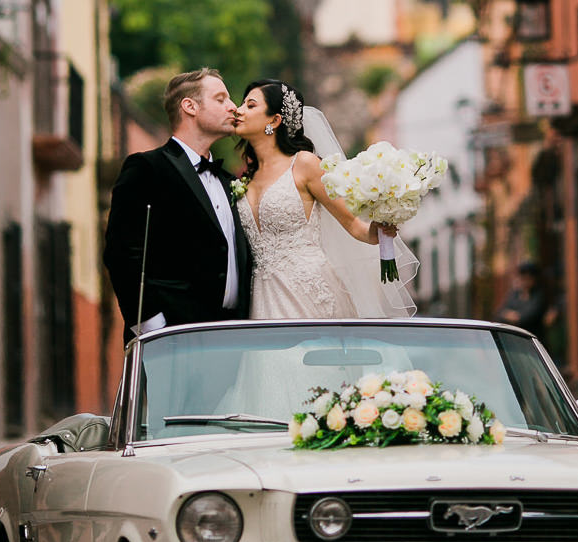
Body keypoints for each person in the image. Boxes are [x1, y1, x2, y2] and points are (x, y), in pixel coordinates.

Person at [232, 79, 416, 319]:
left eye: (250, 105)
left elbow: (352, 224)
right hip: (261, 294)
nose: (238, 109)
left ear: (274, 120)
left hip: (308, 290)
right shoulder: (246, 178)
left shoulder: (304, 164)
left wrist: (381, 226)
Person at [103, 68, 253, 343]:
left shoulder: (228, 180)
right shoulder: (147, 168)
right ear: (190, 106)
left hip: (231, 338)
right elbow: (121, 253)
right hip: (171, 337)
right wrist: (153, 327)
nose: (233, 107)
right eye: (221, 99)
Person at [496, 262, 547, 338]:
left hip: (531, 339)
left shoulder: (539, 297)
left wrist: (512, 316)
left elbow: (526, 318)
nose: (525, 281)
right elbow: (500, 313)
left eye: (528, 278)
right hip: (513, 337)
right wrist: (512, 316)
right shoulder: (515, 294)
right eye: (523, 278)